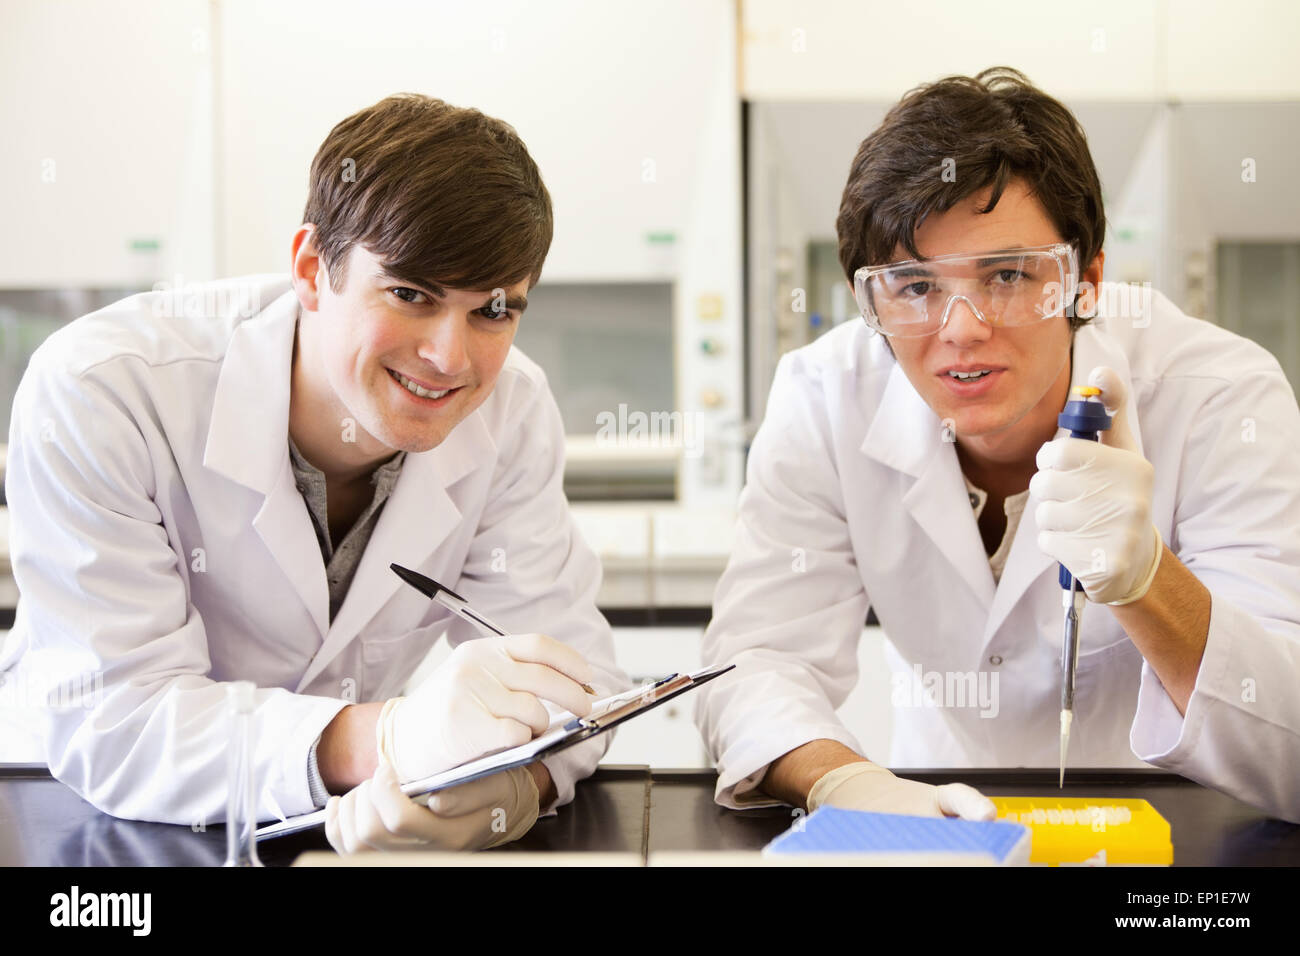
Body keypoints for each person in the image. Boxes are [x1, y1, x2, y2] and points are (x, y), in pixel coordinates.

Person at [0, 93, 629, 852]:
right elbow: (123, 717)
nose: (450, 358)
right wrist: (394, 740)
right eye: (410, 294)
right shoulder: (105, 389)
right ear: (310, 268)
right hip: (89, 818)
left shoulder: (511, 407)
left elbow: (572, 683)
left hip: (344, 817)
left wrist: (509, 787)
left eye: (492, 312)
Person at [695, 67, 1300, 823]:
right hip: (944, 817)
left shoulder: (1217, 395)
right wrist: (849, 785)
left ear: (1088, 282)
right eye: (914, 286)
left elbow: (1290, 743)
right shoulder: (825, 396)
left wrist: (1147, 578)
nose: (960, 328)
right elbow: (755, 665)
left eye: (1008, 274)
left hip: (1181, 833)